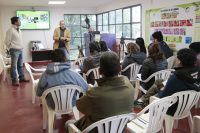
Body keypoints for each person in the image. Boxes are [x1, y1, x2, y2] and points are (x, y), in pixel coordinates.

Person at [69, 51, 134, 131]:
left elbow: (79, 106)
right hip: (119, 128)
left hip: (96, 130)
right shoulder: (129, 85)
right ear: (120, 68)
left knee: (69, 124)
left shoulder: (94, 94)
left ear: (100, 71)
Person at [158, 48, 200, 116]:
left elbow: (163, 97)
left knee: (155, 92)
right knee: (159, 83)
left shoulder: (176, 77)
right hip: (188, 105)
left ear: (179, 61)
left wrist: (161, 90)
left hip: (172, 108)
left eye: (177, 58)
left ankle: (145, 110)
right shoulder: (197, 71)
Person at [4, 16, 29, 86]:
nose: (20, 22)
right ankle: (14, 80)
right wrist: (12, 47)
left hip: (20, 49)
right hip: (14, 50)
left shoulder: (19, 30)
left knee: (20, 65)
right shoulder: (10, 30)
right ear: (15, 22)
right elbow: (6, 41)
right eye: (19, 21)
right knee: (14, 66)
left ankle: (21, 78)